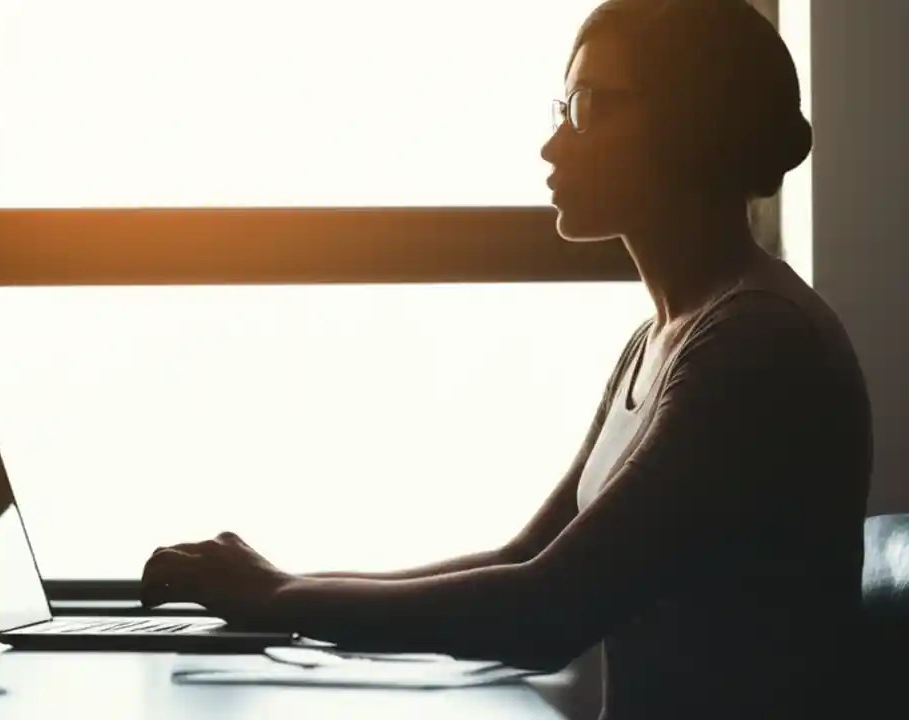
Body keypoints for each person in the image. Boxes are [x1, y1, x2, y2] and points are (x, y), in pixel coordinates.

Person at [141, 1, 872, 717]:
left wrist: (278, 599)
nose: (554, 145)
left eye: (586, 107)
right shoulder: (660, 340)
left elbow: (546, 609)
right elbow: (523, 555)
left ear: (688, 120)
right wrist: (286, 587)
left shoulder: (753, 341)